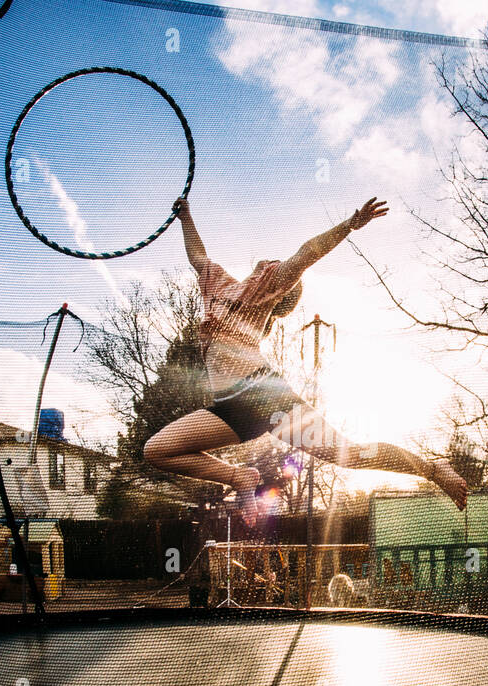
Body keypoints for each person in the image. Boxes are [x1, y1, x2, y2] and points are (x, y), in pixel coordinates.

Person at [144, 196, 468, 522]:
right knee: (157, 450)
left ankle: (433, 469)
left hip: (266, 399)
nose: (272, 262)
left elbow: (305, 254)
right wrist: (186, 216)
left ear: (278, 292)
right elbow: (198, 256)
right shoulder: (216, 283)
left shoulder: (263, 289)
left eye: (279, 268)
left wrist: (349, 224)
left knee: (349, 455)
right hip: (230, 408)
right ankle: (238, 477)